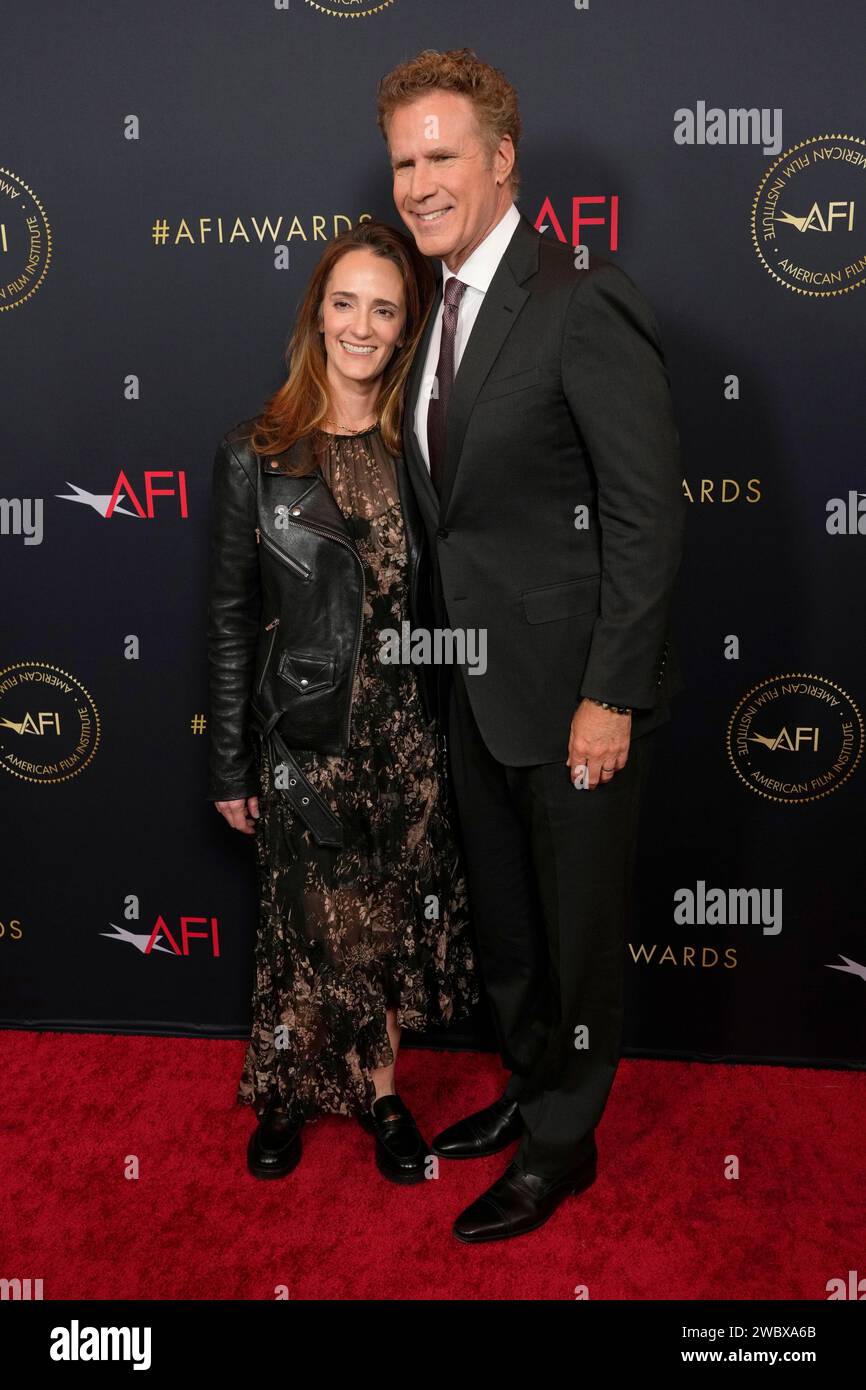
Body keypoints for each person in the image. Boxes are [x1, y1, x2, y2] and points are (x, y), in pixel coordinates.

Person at [376, 48, 688, 1240]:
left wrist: (608, 694)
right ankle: (526, 1087)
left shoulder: (576, 296)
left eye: (441, 155)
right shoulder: (433, 310)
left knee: (575, 935)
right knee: (508, 929)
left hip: (574, 704)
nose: (418, 181)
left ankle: (564, 1145)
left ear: (501, 161)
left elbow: (644, 516)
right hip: (473, 693)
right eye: (404, 160)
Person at [206, 218, 478, 1186]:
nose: (361, 325)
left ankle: (379, 1092)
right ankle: (282, 1089)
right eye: (344, 303)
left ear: (406, 328)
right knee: (304, 923)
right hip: (306, 734)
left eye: (385, 308)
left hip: (406, 733)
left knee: (391, 917)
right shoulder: (258, 451)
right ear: (316, 314)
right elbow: (232, 619)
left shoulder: (423, 449)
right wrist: (231, 766)